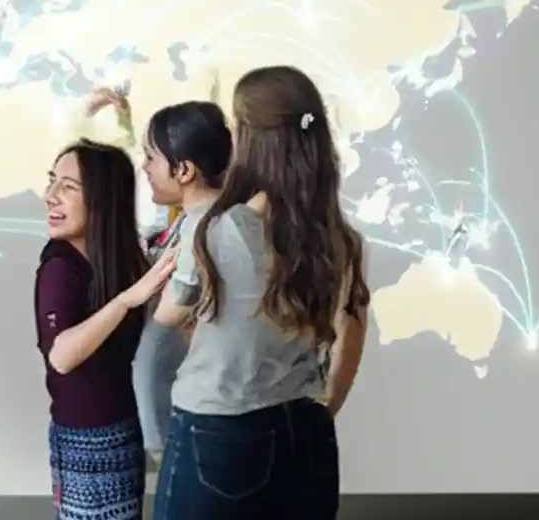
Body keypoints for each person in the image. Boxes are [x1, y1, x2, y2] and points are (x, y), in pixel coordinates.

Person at [151, 65, 371, 519]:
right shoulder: (341, 238)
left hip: (218, 431)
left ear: (250, 140)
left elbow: (168, 317)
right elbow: (351, 336)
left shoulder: (214, 228)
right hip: (305, 433)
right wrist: (322, 409)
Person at [35, 140, 181, 520]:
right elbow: (62, 357)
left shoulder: (124, 256)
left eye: (67, 187)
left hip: (125, 431)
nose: (50, 196)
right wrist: (126, 300)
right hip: (82, 442)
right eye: (52, 182)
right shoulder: (59, 266)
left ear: (103, 199)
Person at [131, 101, 232, 463]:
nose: (144, 166)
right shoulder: (193, 222)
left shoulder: (205, 228)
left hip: (189, 417)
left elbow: (172, 316)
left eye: (151, 157)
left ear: (185, 170)